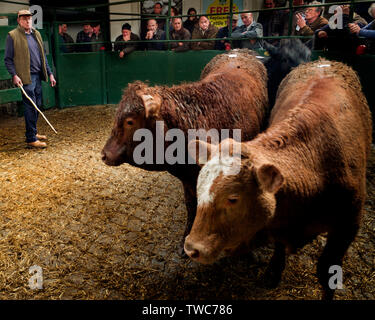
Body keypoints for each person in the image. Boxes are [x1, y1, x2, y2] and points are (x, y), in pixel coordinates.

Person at [4, 9, 56, 148]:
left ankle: (33, 131)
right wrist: (14, 75)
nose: (27, 21)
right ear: (19, 21)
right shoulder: (12, 36)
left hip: (38, 75)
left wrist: (50, 73)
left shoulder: (36, 34)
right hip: (25, 77)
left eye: (29, 18)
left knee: (37, 105)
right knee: (30, 106)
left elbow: (43, 56)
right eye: (24, 19)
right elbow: (8, 59)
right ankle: (31, 139)